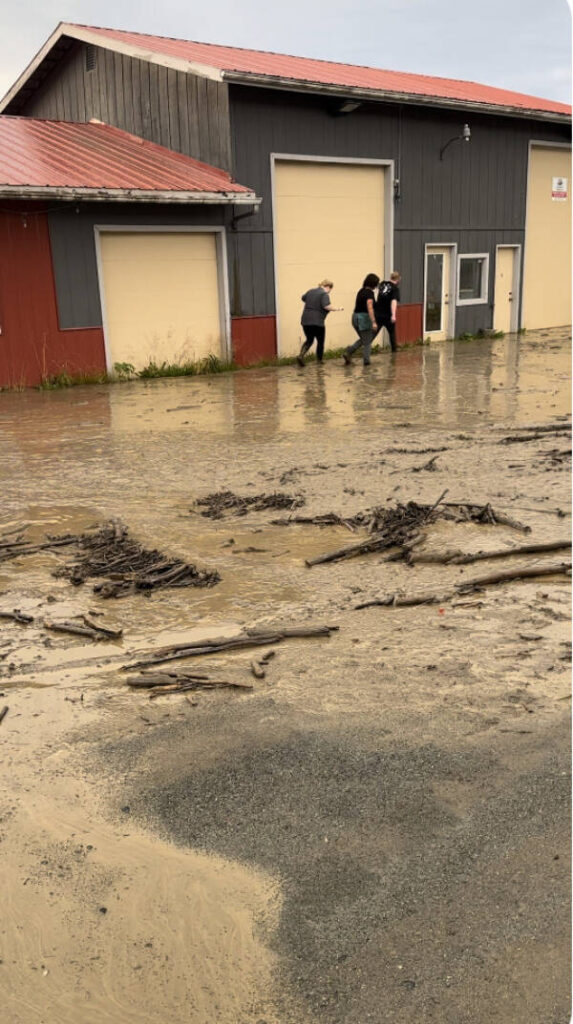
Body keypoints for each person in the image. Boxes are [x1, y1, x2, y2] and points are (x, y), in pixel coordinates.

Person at [297, 279, 342, 366]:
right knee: (320, 341)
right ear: (328, 287)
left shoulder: (310, 291)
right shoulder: (324, 294)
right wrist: (337, 309)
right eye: (330, 290)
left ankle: (301, 356)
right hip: (317, 322)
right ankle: (319, 361)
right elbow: (326, 306)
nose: (329, 292)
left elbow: (303, 298)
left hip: (305, 320)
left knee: (309, 340)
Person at [343, 273, 380, 366]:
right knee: (367, 342)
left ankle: (349, 352)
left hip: (355, 317)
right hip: (363, 318)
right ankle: (366, 363)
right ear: (374, 284)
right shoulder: (370, 294)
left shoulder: (361, 291)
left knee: (364, 339)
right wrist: (374, 322)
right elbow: (370, 307)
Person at [374, 271, 401, 353]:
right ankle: (394, 353)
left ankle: (361, 347)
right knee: (392, 334)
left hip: (378, 314)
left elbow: (377, 289)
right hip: (388, 316)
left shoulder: (382, 284)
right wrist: (393, 315)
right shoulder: (395, 288)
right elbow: (394, 302)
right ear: (398, 279)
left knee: (373, 333)